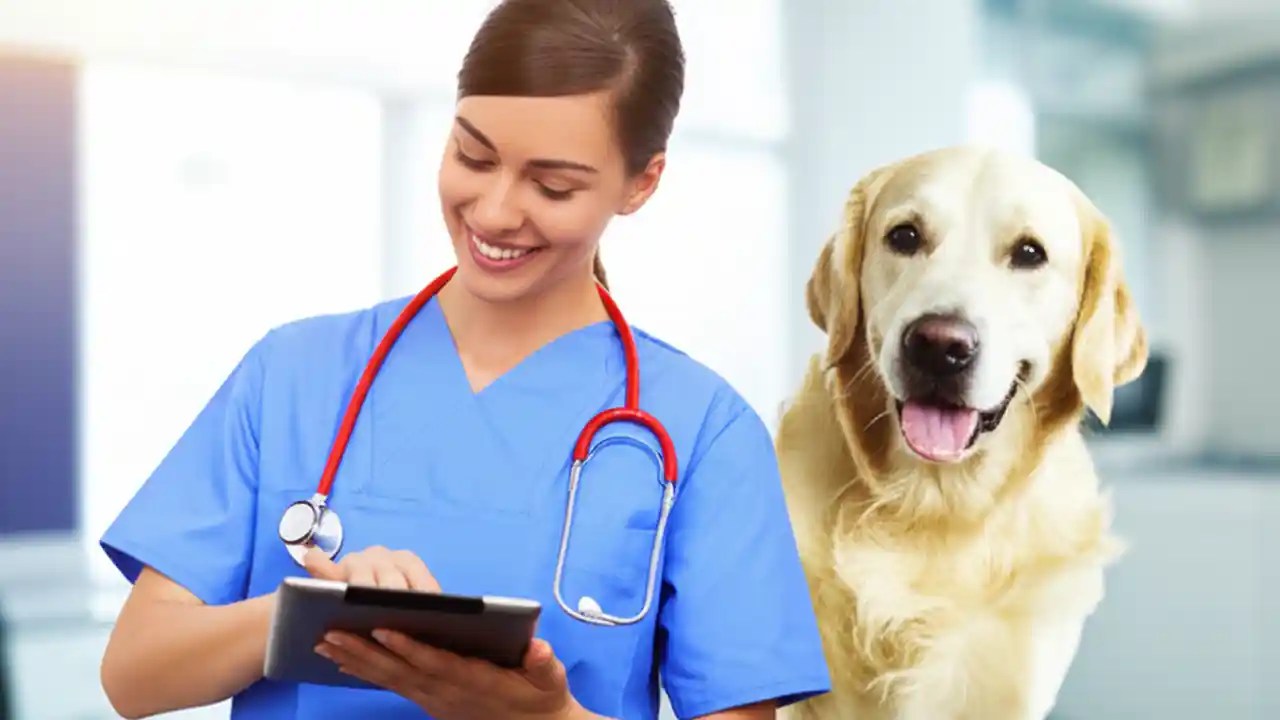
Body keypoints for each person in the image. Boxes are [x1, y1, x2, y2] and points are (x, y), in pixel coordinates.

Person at [97, 1, 831, 718]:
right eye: (472, 155)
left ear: (641, 182)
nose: (493, 211)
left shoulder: (703, 430)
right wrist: (315, 614)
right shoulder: (293, 374)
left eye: (553, 185)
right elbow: (133, 677)